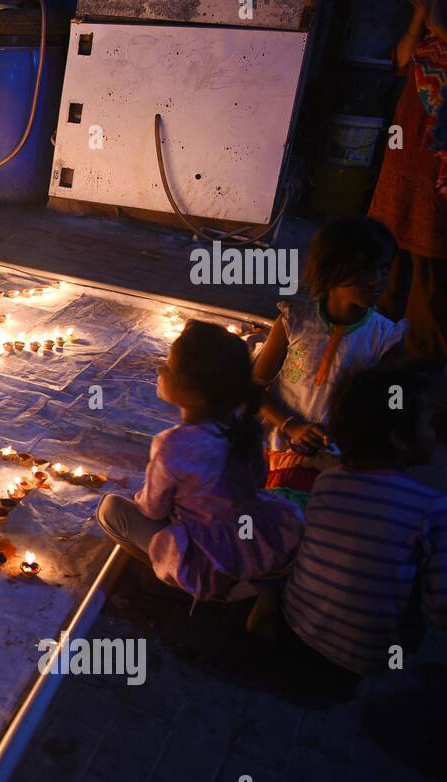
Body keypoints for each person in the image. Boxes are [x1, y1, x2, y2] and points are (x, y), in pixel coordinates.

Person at [96, 321, 303, 601]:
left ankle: (197, 586)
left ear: (193, 392)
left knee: (110, 510)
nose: (160, 370)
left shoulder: (174, 444)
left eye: (168, 367)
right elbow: (257, 479)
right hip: (256, 537)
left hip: (211, 557)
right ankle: (252, 583)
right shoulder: (245, 426)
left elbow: (153, 509)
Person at [281, 366, 446, 675]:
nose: (435, 433)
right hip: (371, 658)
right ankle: (393, 664)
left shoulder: (326, 482)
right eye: (429, 423)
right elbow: (440, 611)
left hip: (299, 622)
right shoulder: (432, 508)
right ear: (398, 439)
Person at [252, 219, 407, 504]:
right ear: (331, 268)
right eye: (365, 271)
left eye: (384, 270)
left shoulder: (385, 338)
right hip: (275, 443)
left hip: (334, 457)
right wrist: (291, 426)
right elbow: (252, 390)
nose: (377, 281)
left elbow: (391, 405)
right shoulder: (294, 321)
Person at [367, 0, 447, 361]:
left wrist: (433, 14)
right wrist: (420, 13)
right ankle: (377, 338)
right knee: (388, 240)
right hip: (406, 145)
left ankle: (421, 356)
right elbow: (402, 58)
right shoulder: (429, 36)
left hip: (436, 153)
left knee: (429, 256)